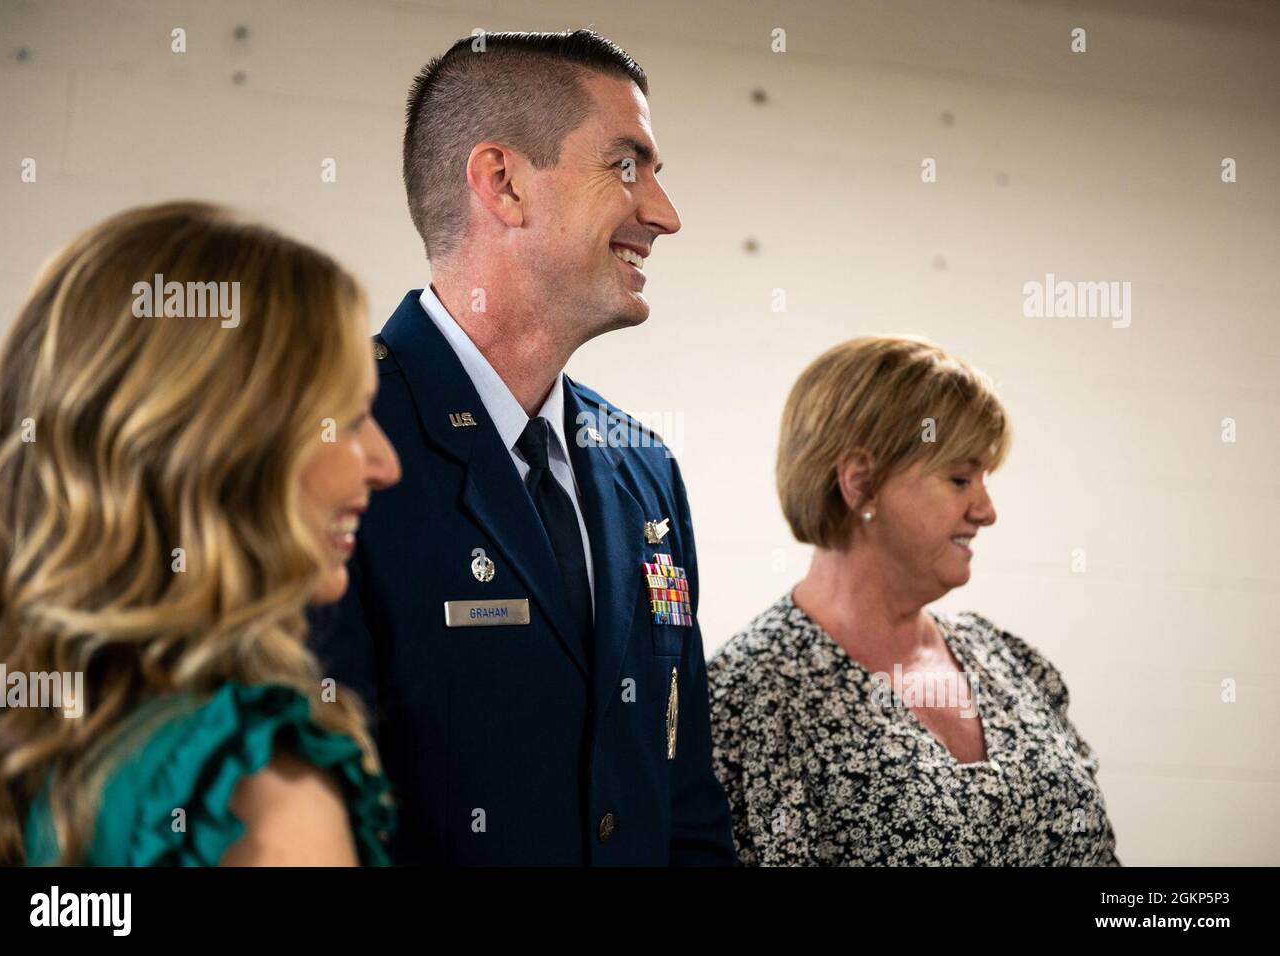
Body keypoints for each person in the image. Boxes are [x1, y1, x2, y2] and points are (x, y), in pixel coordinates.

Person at [309, 30, 736, 865]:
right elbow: (319, 805)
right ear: (502, 183)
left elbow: (684, 804)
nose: (664, 213)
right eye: (627, 166)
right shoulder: (324, 441)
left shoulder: (644, 467)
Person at [0, 201, 402, 865]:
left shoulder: (32, 735)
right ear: (223, 453)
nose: (386, 465)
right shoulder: (257, 797)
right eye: (348, 420)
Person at [708, 335, 1119, 866]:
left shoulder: (1008, 661)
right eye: (959, 478)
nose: (987, 510)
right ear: (860, 484)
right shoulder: (749, 698)